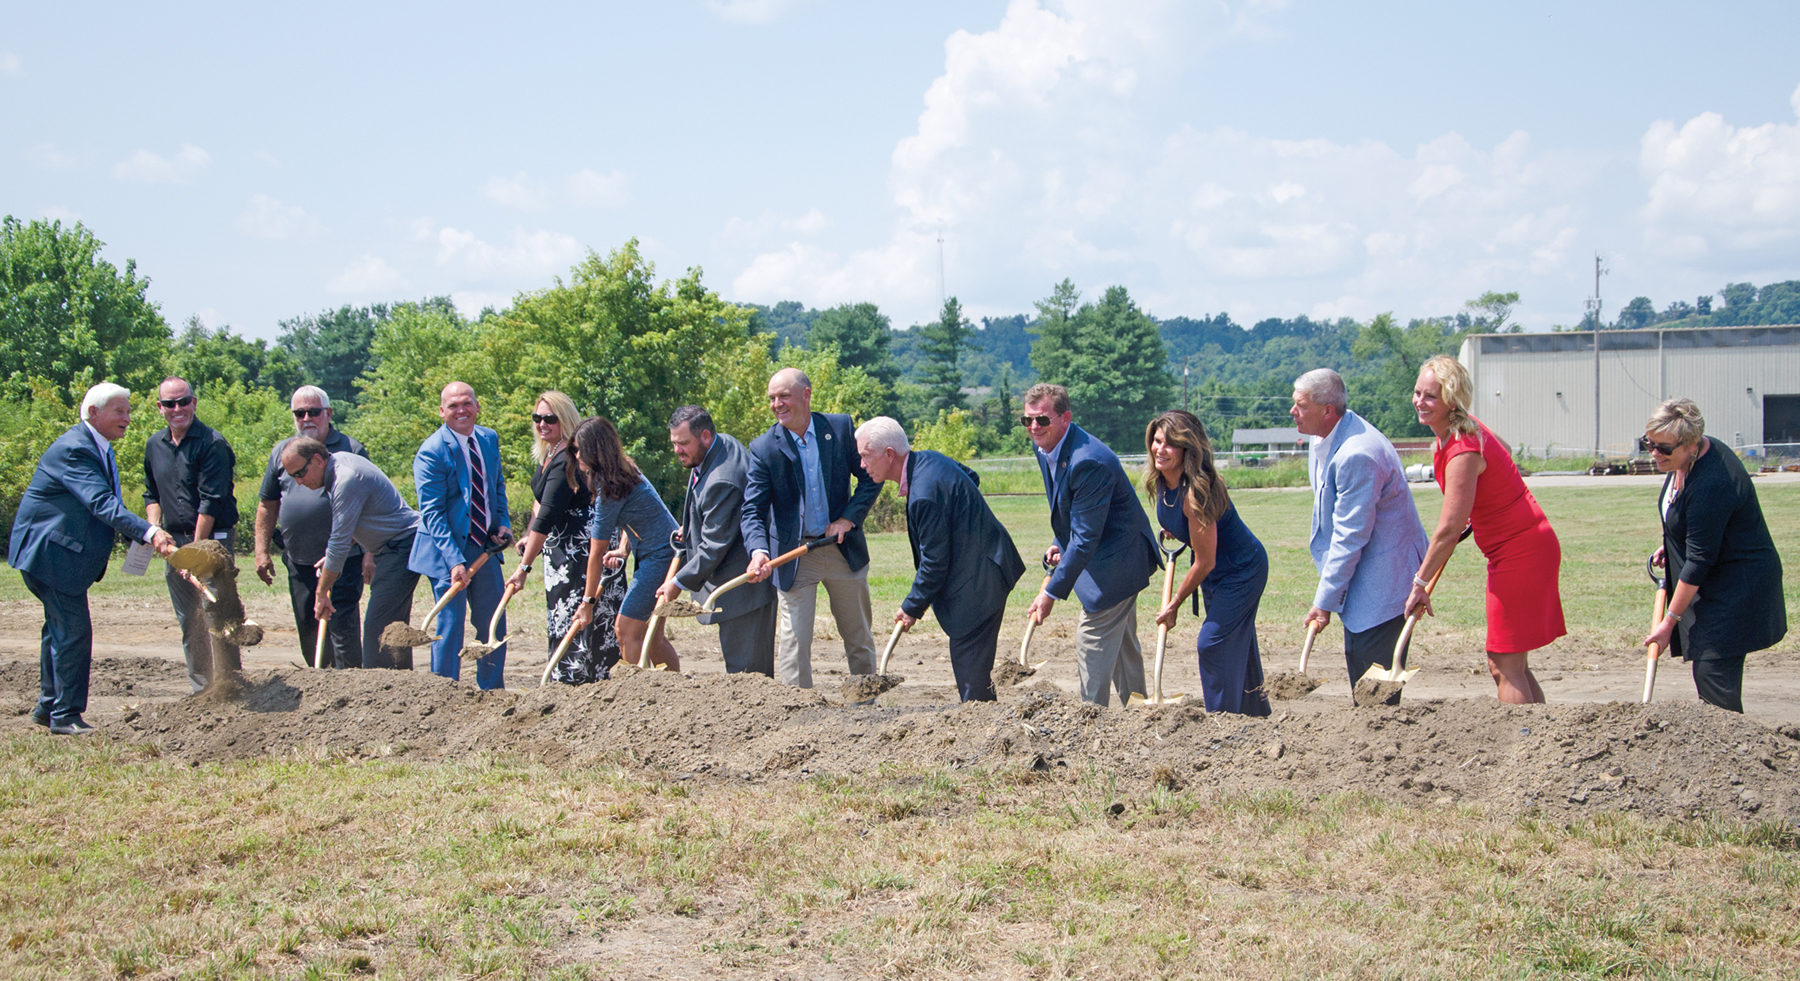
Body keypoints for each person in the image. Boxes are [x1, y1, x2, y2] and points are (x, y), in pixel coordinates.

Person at [9, 383, 177, 734]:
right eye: (120, 411)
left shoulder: (95, 446)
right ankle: (66, 716)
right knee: (73, 632)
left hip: (53, 554)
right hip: (50, 555)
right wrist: (150, 533)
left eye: (128, 411)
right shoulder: (75, 449)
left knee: (57, 630)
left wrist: (143, 534)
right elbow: (101, 503)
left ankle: (47, 707)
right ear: (93, 413)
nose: (128, 418)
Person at [1408, 354, 1563, 704]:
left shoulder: (1463, 448)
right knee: (1510, 663)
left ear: (1452, 400)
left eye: (1431, 396)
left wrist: (1420, 584)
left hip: (1522, 551)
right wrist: (1483, 509)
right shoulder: (1461, 430)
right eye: (1418, 393)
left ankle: (1522, 741)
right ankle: (1538, 737)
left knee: (1504, 661)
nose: (1420, 401)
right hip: (1515, 547)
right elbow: (1503, 452)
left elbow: (1447, 530)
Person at [856, 416, 1024, 701]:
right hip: (988, 567)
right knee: (974, 671)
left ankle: (984, 728)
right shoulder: (929, 459)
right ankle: (986, 722)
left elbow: (934, 562)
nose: (861, 465)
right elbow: (970, 478)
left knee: (971, 673)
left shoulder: (924, 495)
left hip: (979, 584)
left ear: (889, 454)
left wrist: (911, 607)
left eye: (865, 456)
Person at [1642, 399, 1787, 713]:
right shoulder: (1685, 461)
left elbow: (1699, 560)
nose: (1655, 454)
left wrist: (1670, 621)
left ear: (1692, 444)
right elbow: (1693, 523)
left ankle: (1735, 753)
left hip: (1739, 588)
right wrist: (1672, 543)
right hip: (1717, 581)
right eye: (1649, 444)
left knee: (1712, 673)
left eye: (1664, 448)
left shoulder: (1712, 482)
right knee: (1709, 670)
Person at [1021, 383, 1160, 707]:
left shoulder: (1088, 460)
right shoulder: (1046, 448)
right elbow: (1070, 509)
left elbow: (1085, 538)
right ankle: (1138, 711)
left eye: (1041, 420)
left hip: (1119, 561)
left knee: (1091, 639)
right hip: (1105, 553)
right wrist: (1060, 541)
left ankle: (1091, 719)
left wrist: (1051, 591)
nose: (1033, 428)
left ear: (1065, 418)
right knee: (1123, 645)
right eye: (1026, 421)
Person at [741, 368, 881, 688]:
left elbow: (871, 477)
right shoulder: (764, 448)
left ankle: (868, 704)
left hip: (841, 549)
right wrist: (759, 551)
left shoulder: (841, 428)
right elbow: (752, 509)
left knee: (857, 634)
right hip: (794, 555)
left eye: (784, 396)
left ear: (806, 394)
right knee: (793, 645)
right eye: (772, 399)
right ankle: (798, 711)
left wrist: (848, 518)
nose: (777, 404)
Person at [1291, 368, 1429, 690]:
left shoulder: (1358, 454)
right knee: (1361, 673)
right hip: (1364, 581)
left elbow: (1349, 536)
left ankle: (1384, 736)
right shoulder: (1324, 437)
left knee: (1375, 690)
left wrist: (1324, 601)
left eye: (1301, 405)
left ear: (1328, 410)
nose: (1292, 411)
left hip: (1385, 582)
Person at [1145, 410, 1271, 716]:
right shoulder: (1162, 482)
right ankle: (1254, 715)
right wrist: (1176, 529)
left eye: (1170, 444)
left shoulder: (1196, 493)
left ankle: (1222, 722)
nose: (1160, 449)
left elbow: (1204, 562)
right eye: (1157, 441)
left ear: (1188, 449)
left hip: (1241, 570)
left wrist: (1174, 604)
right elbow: (1188, 525)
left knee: (1213, 644)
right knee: (1236, 642)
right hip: (1219, 572)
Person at [504, 394, 627, 685]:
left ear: (565, 419)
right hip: (562, 551)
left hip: (582, 551)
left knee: (582, 617)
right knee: (564, 616)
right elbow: (540, 503)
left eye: (550, 418)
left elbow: (547, 516)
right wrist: (527, 535)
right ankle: (569, 681)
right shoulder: (550, 452)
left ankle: (583, 684)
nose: (542, 424)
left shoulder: (565, 461)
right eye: (537, 418)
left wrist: (523, 568)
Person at [253, 386, 373, 669]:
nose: (307, 418)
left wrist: (370, 553)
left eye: (314, 412)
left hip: (345, 558)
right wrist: (261, 551)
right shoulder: (282, 452)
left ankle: (350, 687)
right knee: (309, 628)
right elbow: (267, 505)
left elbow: (369, 507)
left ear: (328, 414)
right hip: (300, 559)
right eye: (299, 413)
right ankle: (320, 686)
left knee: (342, 627)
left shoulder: (350, 449)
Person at [279, 437, 423, 670]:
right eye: (292, 476)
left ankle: (387, 693)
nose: (299, 481)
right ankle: (398, 688)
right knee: (389, 629)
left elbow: (338, 542)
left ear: (317, 460)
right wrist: (337, 554)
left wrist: (322, 591)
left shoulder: (346, 478)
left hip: (401, 547)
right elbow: (352, 527)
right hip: (393, 548)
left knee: (379, 633)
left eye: (300, 473)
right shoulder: (339, 466)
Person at [657, 405, 776, 676]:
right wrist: (689, 529)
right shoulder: (718, 446)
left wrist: (677, 583)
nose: (677, 450)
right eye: (674, 443)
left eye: (683, 443)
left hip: (742, 590)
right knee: (744, 672)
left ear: (706, 436)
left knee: (747, 675)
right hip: (738, 590)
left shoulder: (723, 479)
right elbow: (709, 508)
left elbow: (713, 545)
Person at [408, 381, 513, 688]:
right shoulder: (432, 452)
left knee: (492, 621)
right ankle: (444, 693)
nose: (461, 411)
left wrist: (502, 524)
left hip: (483, 548)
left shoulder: (488, 439)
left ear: (477, 406)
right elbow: (433, 514)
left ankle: (492, 691)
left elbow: (496, 487)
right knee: (450, 625)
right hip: (446, 550)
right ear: (442, 412)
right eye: (453, 406)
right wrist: (454, 561)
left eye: (467, 403)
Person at [142, 376, 239, 692]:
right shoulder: (154, 445)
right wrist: (156, 531)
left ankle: (230, 684)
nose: (177, 408)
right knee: (190, 620)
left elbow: (211, 501)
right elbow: (150, 494)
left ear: (194, 403)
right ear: (160, 408)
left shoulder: (212, 443)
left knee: (216, 613)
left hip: (212, 539)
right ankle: (202, 688)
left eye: (184, 401)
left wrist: (195, 553)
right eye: (170, 403)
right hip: (173, 540)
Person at [569, 417, 680, 672]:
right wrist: (623, 548)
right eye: (575, 450)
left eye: (582, 450)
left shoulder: (609, 487)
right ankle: (672, 693)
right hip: (661, 551)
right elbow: (638, 515)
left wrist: (587, 604)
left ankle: (641, 697)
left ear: (597, 451)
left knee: (626, 629)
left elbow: (596, 553)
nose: (577, 457)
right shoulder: (622, 471)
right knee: (652, 636)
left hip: (661, 555)